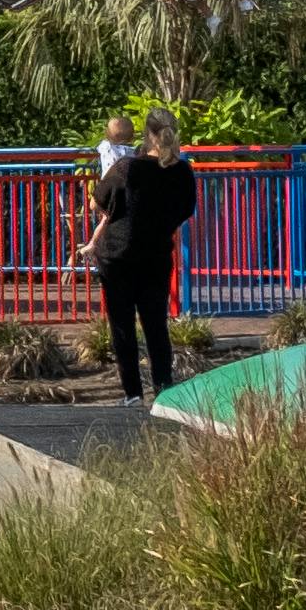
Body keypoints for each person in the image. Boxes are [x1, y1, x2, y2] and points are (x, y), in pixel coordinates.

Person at [90, 113, 200, 402]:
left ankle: (132, 394)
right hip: (156, 255)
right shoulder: (182, 172)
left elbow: (98, 200)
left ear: (147, 135)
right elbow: (186, 210)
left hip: (118, 257)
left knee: (123, 327)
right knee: (156, 325)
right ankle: (163, 390)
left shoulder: (127, 168)